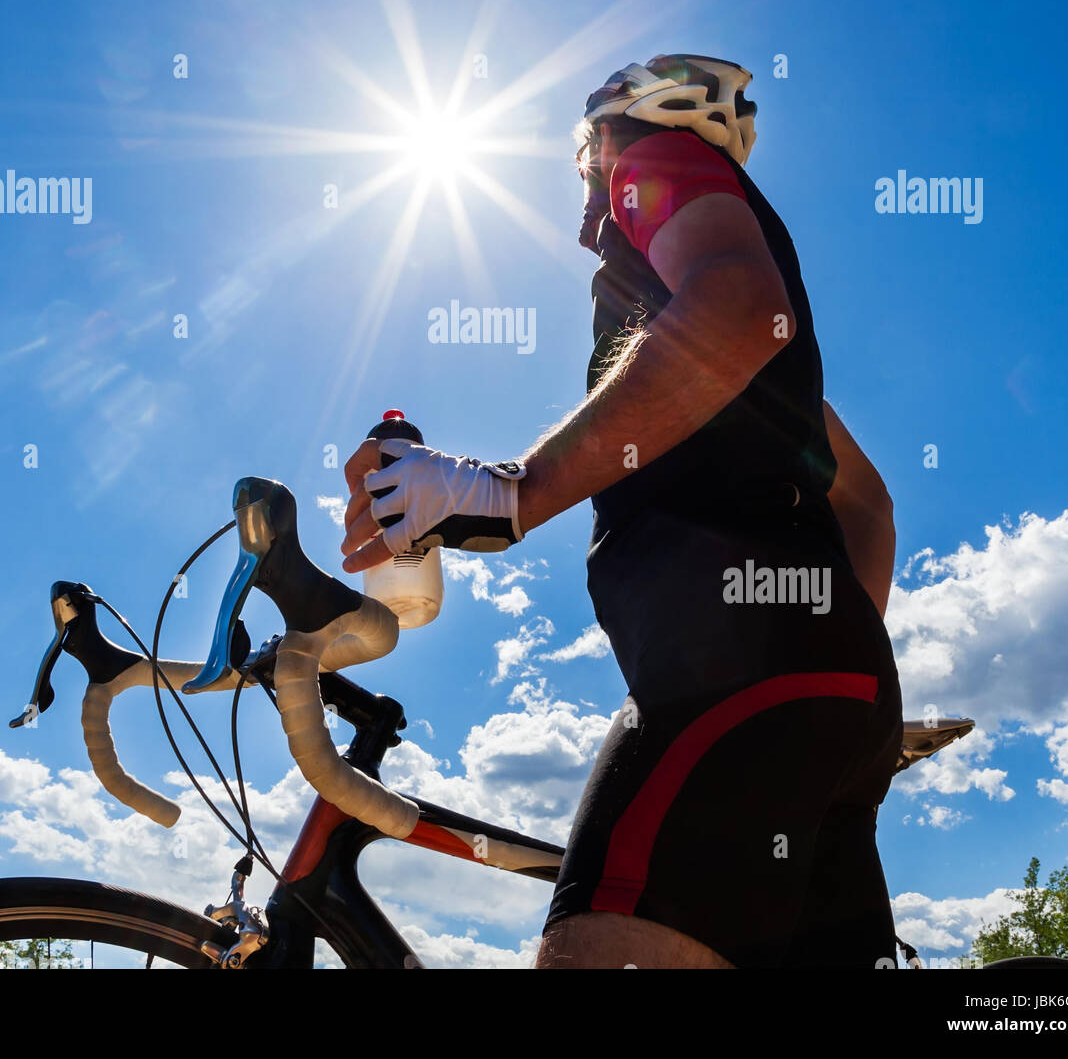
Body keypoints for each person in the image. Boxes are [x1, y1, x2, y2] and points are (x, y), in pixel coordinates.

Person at [340, 54, 903, 969]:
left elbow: (739, 307)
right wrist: (827, 659)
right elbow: (868, 503)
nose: (584, 209)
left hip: (730, 683)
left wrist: (512, 491)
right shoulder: (750, 377)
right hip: (820, 694)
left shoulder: (647, 155)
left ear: (610, 132)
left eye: (581, 166)